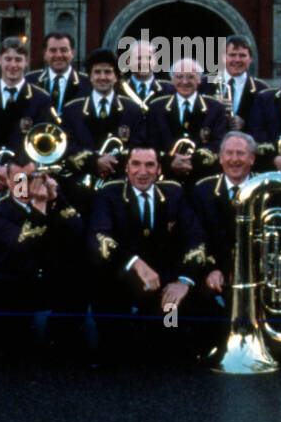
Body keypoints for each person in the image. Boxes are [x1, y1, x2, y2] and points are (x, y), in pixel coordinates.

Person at [87, 145, 207, 363]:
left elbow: (195, 237)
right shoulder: (109, 193)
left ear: (159, 168)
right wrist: (135, 263)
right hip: (122, 279)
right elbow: (99, 237)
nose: (143, 172)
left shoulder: (174, 192)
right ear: (126, 168)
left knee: (169, 336)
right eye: (136, 164)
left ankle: (163, 334)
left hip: (165, 282)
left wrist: (184, 281)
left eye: (150, 165)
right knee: (116, 350)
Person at [0, 152, 86, 358]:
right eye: (19, 180)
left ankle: (63, 337)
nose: (26, 187)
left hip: (44, 276)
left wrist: (57, 199)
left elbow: (77, 230)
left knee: (76, 275)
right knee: (11, 344)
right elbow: (20, 246)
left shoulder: (51, 199)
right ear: (8, 181)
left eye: (32, 179)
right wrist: (39, 207)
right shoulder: (0, 209)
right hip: (11, 278)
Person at [0, 37, 60, 204]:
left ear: (26, 62)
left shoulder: (41, 99)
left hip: (23, 176)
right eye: (8, 59)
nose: (13, 65)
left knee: (17, 217)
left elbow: (44, 146)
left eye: (18, 60)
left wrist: (16, 173)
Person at [190, 131, 257, 354]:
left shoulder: (265, 188)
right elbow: (197, 235)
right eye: (229, 153)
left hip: (255, 274)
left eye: (241, 153)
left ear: (252, 159)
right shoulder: (202, 190)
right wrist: (211, 269)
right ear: (220, 158)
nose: (234, 159)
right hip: (216, 270)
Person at [60, 48, 146, 204]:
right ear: (90, 77)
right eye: (97, 72)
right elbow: (67, 147)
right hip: (80, 190)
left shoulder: (132, 110)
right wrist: (95, 161)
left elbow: (139, 145)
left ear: (116, 77)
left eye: (107, 72)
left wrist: (112, 161)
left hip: (120, 187)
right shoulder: (72, 110)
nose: (102, 77)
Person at [145, 57, 229, 185]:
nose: (185, 82)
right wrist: (170, 161)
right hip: (166, 179)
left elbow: (219, 144)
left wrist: (192, 161)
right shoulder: (157, 107)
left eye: (190, 76)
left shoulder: (215, 108)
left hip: (202, 180)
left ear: (199, 79)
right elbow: (150, 142)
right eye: (179, 76)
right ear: (172, 80)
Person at [199, 35, 263, 131]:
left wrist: (244, 123)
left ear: (250, 59)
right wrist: (214, 107)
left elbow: (266, 124)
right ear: (223, 57)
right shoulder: (203, 82)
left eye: (242, 55)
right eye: (232, 55)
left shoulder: (261, 89)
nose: (237, 60)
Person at [28, 32, 92, 113]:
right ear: (45, 53)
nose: (58, 55)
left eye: (63, 50)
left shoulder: (88, 83)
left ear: (72, 53)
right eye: (53, 50)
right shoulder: (30, 81)